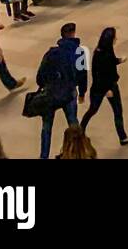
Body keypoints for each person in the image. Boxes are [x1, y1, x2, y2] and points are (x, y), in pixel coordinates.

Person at [33, 22, 87, 159]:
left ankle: (44, 156)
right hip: (69, 92)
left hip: (51, 92)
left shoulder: (51, 53)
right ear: (73, 34)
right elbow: (82, 75)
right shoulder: (79, 52)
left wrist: (44, 85)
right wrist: (82, 92)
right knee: (73, 123)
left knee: (46, 126)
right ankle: (78, 152)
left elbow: (40, 74)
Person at [79, 27, 128, 146]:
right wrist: (107, 90)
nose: (116, 39)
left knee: (100, 110)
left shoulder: (103, 51)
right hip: (106, 87)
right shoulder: (103, 55)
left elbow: (110, 62)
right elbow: (99, 74)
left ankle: (122, 137)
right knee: (106, 110)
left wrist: (119, 60)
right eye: (114, 37)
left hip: (101, 87)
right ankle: (81, 131)